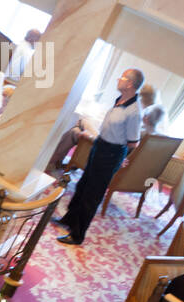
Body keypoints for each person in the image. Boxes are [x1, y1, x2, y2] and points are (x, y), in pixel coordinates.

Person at [53, 68, 144, 246]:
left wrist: (121, 157)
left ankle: (78, 235)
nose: (118, 79)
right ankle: (69, 220)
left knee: (92, 195)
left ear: (130, 84)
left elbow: (133, 143)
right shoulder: (120, 100)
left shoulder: (134, 111)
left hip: (111, 153)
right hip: (101, 146)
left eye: (122, 77)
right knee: (83, 185)